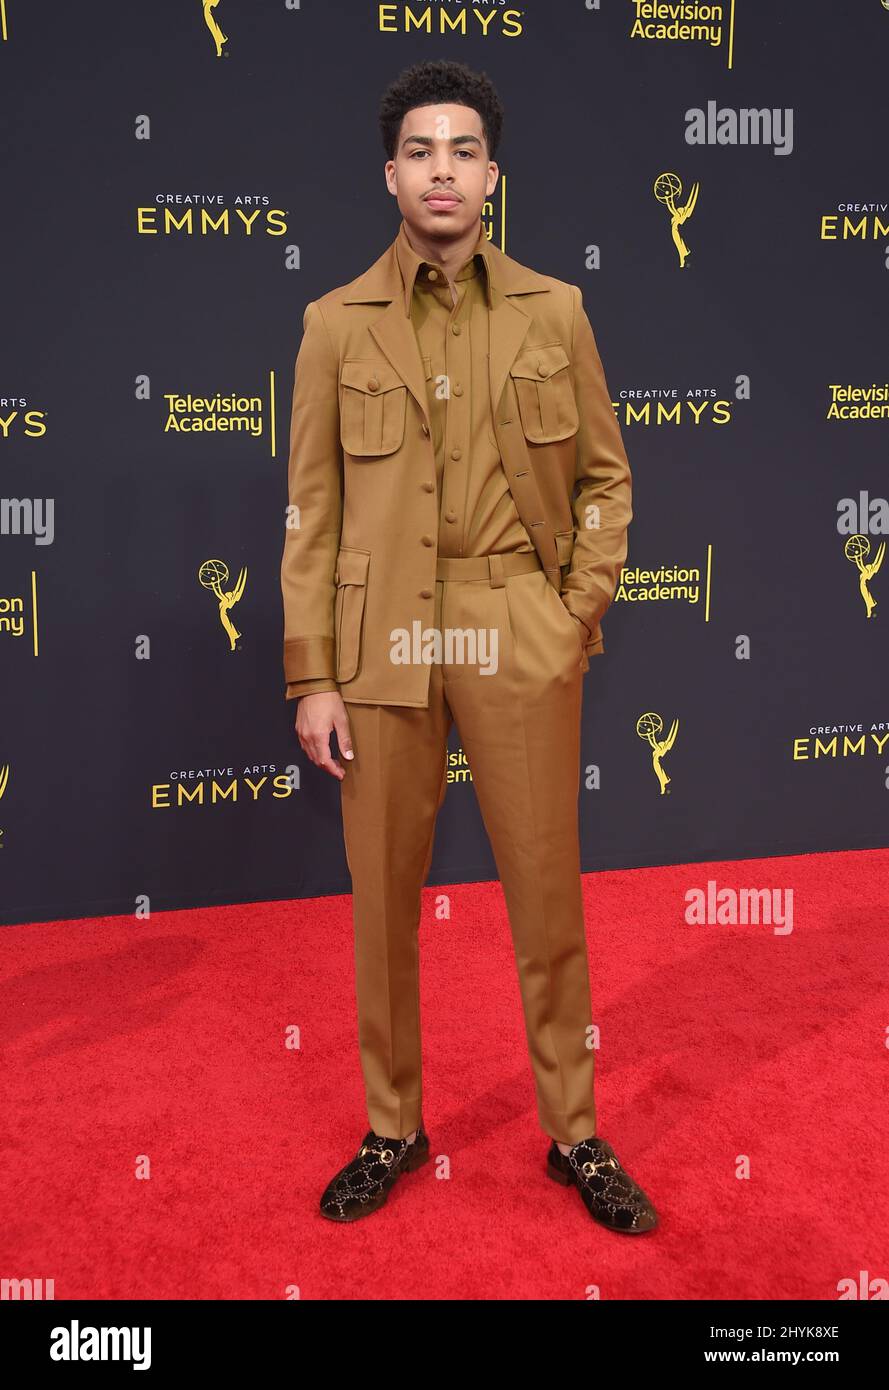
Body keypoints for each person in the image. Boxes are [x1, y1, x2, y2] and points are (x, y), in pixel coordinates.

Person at [280, 59, 657, 1234]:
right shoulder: (333, 325)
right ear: (389, 176)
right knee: (383, 901)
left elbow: (604, 478)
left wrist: (571, 612)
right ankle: (392, 1124)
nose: (440, 169)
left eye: (462, 150)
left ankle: (574, 1130)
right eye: (419, 151)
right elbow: (310, 515)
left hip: (513, 625)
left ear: (492, 175)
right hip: (380, 638)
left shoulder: (555, 310)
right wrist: (312, 673)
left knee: (545, 896)